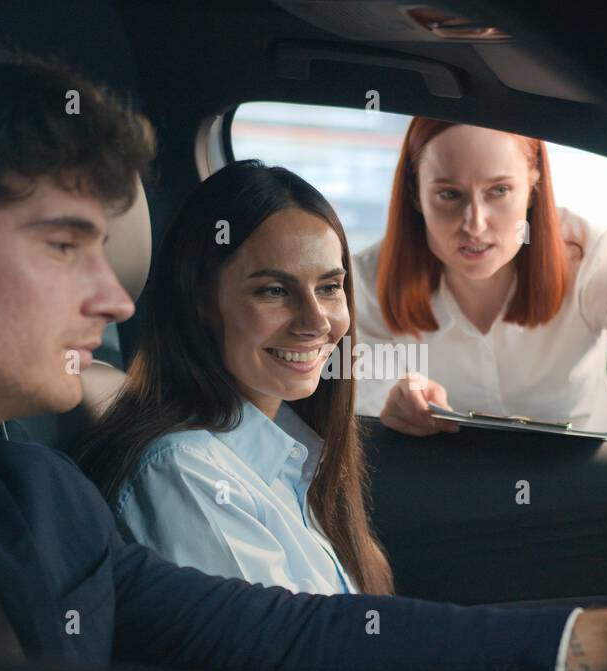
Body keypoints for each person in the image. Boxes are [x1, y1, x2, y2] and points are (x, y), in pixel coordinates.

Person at [0, 43, 607, 671]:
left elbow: (284, 638)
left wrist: (592, 643)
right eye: (66, 243)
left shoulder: (38, 507)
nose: (114, 297)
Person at [75, 161, 388, 596]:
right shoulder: (184, 473)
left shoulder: (290, 450)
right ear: (200, 301)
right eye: (274, 291)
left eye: (330, 288)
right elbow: (283, 659)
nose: (316, 322)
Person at [352, 117, 607, 440]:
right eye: (449, 195)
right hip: (452, 497)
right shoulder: (369, 277)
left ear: (533, 186)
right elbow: (353, 409)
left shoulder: (592, 258)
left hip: (587, 496)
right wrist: (396, 402)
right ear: (416, 196)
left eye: (499, 191)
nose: (474, 224)